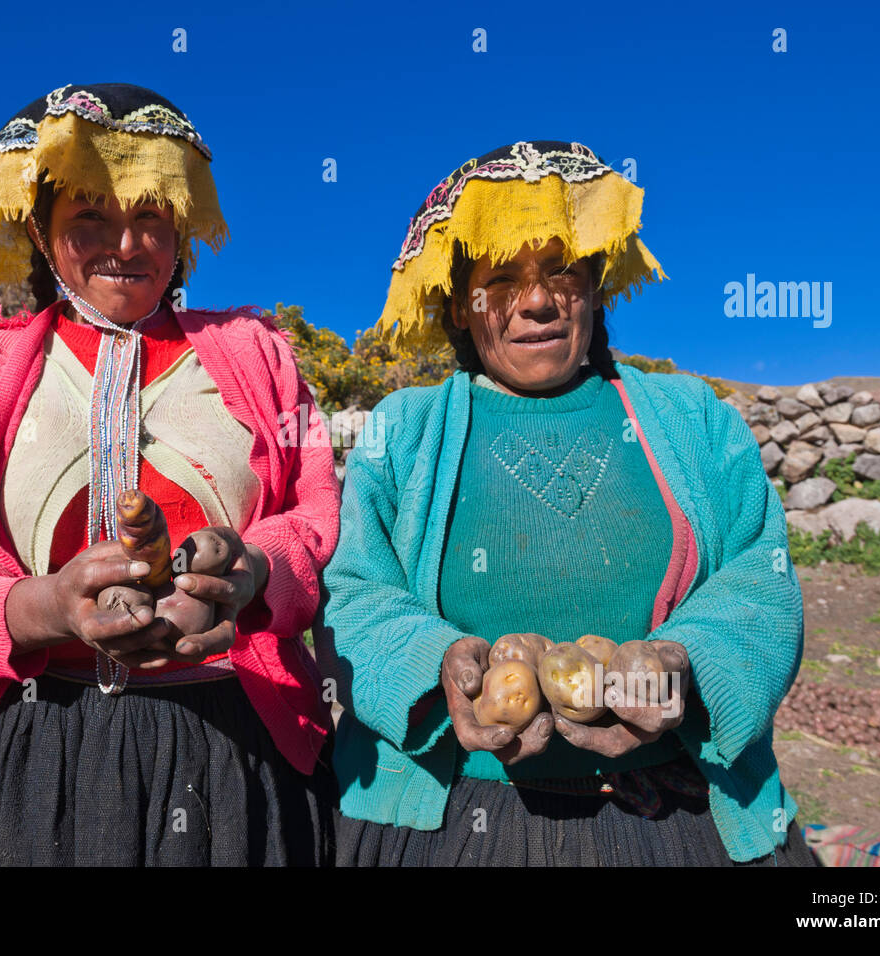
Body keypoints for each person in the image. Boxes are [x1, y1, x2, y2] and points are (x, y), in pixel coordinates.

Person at [0, 83, 339, 865]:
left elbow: (318, 519)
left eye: (150, 216)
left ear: (181, 230)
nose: (124, 244)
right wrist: (46, 606)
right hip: (30, 753)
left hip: (232, 750)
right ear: (40, 229)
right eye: (89, 215)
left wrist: (254, 572)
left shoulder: (258, 357)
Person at [318, 140, 816, 866]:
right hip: (453, 819)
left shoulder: (693, 418)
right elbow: (354, 593)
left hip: (672, 813)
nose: (539, 300)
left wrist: (685, 661)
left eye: (562, 272)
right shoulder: (403, 429)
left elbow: (759, 577)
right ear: (461, 303)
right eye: (502, 279)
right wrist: (438, 665)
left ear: (595, 287)